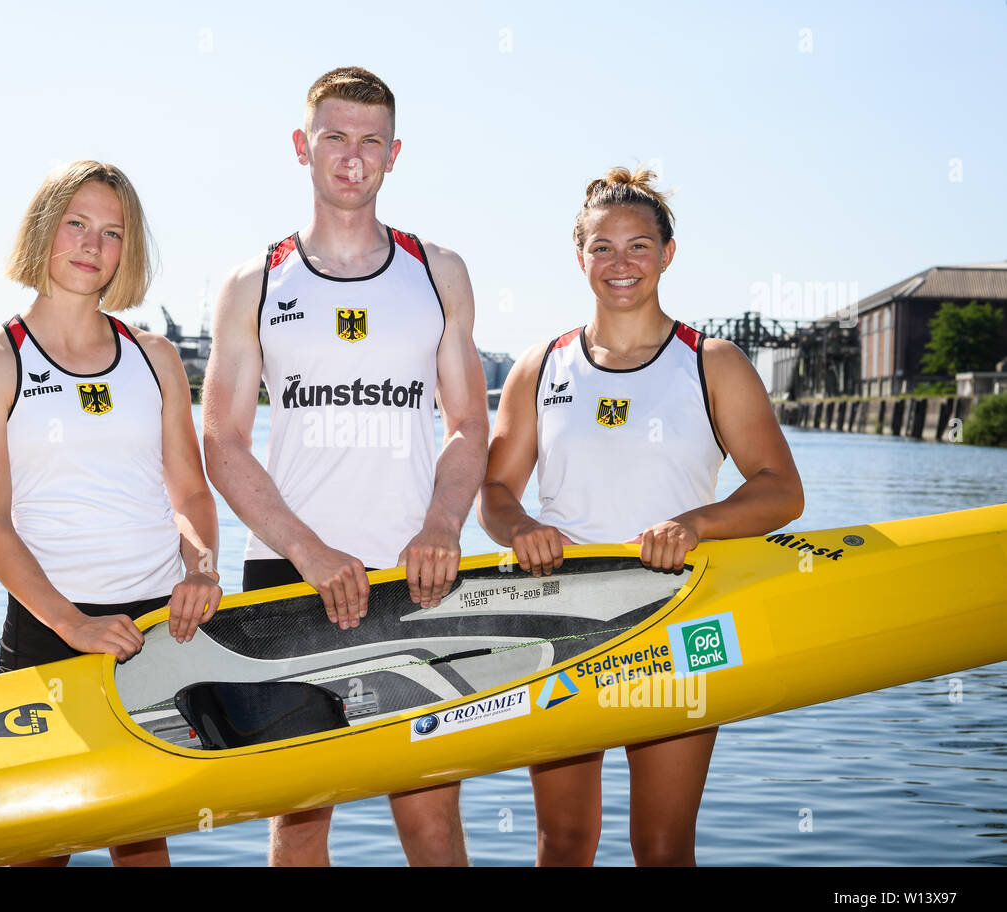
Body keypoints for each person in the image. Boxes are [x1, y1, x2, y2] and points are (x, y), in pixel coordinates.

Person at [202, 67, 490, 866]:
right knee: (299, 821)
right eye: (335, 137)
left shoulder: (439, 271)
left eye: (370, 141)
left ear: (394, 155)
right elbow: (222, 439)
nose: (352, 157)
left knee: (431, 813)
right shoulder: (252, 284)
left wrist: (440, 525)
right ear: (303, 146)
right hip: (292, 579)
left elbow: (469, 424)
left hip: (415, 575)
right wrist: (309, 551)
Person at [477, 166, 804, 866]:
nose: (620, 263)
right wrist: (523, 530)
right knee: (564, 842)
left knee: (660, 845)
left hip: (679, 617)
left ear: (668, 253)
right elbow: (495, 494)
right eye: (602, 247)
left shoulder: (712, 362)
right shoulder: (541, 366)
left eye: (638, 246)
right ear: (580, 257)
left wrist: (696, 524)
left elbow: (781, 490)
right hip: (561, 622)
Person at [0, 160, 222, 866]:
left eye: (112, 232)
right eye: (76, 223)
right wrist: (73, 624)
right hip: (51, 628)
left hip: (158, 628)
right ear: (44, 229)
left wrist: (201, 566)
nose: (91, 246)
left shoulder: (154, 358)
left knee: (142, 842)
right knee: (40, 846)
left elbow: (189, 491)